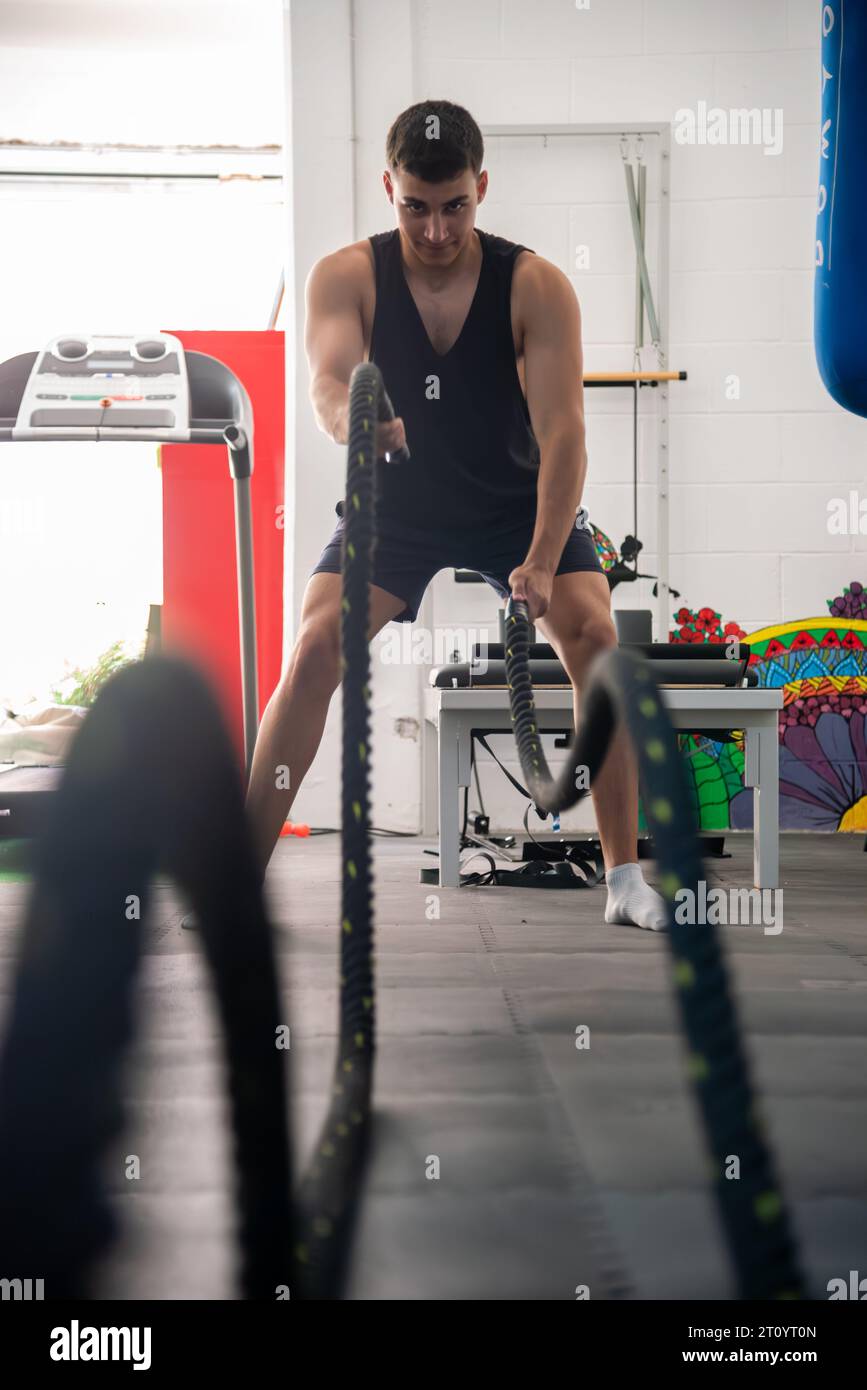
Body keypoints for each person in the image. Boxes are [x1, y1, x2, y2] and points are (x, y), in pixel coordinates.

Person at [245, 99, 666, 931]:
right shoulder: (347, 276)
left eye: (453, 208)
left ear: (480, 187)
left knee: (595, 636)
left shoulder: (535, 285)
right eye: (414, 207)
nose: (435, 231)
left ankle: (624, 880)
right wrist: (352, 421)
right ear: (387, 187)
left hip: (516, 501)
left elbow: (564, 436)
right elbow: (328, 383)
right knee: (315, 644)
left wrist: (544, 559)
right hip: (398, 504)